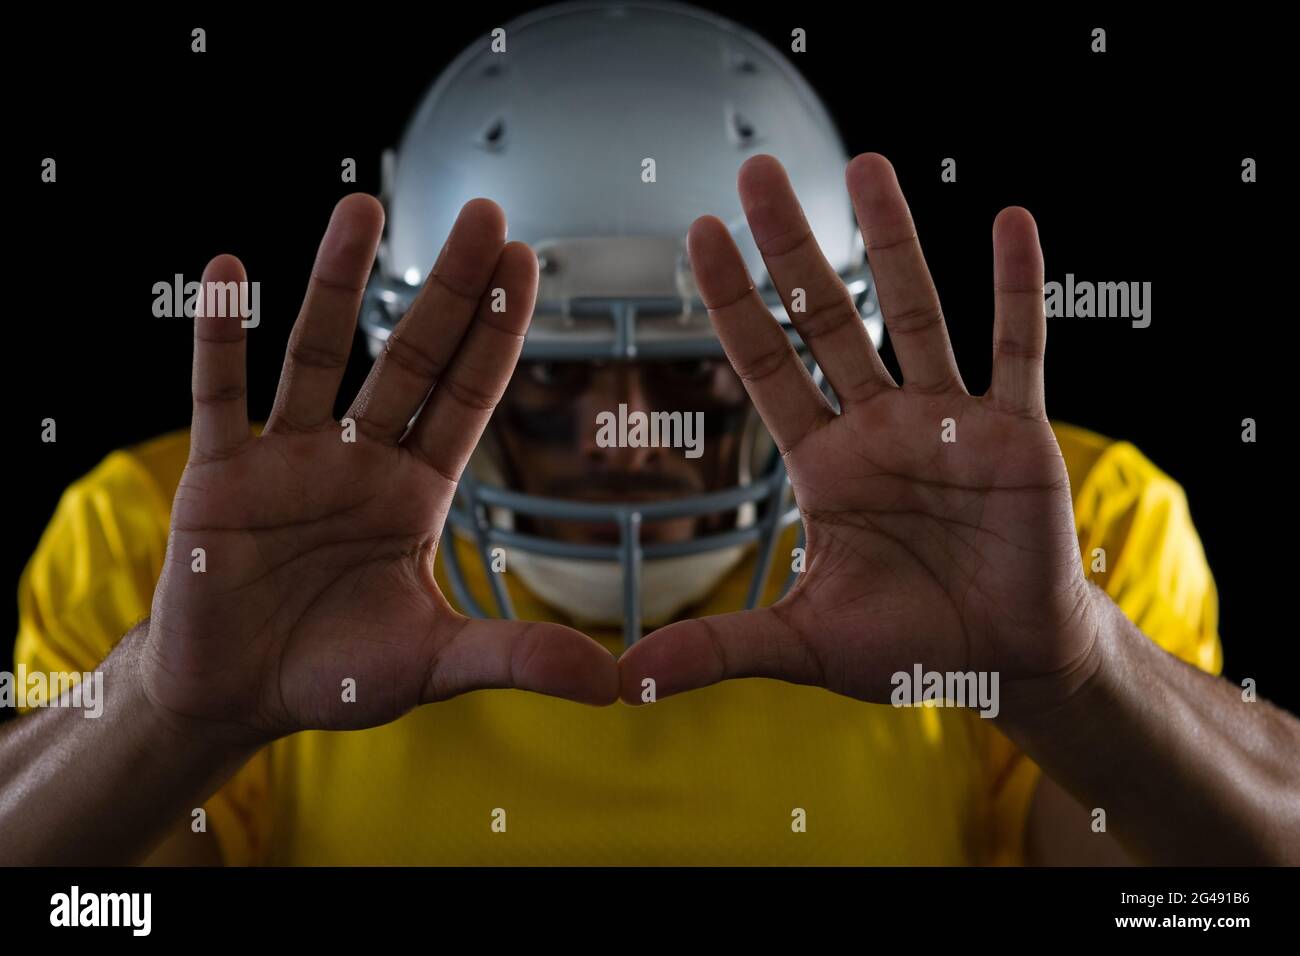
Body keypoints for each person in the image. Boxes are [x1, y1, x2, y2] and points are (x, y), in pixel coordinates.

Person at [5, 2, 1297, 866]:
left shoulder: (1059, 535)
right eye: (547, 370)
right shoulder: (182, 549)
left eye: (693, 363)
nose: (626, 424)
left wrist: (1076, 684)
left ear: (801, 343)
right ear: (433, 347)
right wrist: (163, 720)